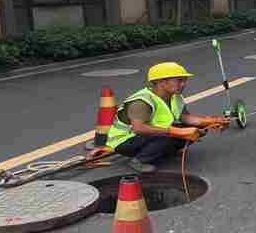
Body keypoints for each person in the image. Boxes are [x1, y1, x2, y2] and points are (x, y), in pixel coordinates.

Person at [88, 62, 231, 173]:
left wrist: (210, 121)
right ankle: (139, 160)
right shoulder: (141, 101)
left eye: (184, 80)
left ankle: (163, 152)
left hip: (150, 135)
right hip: (126, 141)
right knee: (172, 134)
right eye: (179, 80)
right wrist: (178, 132)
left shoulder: (175, 97)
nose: (184, 84)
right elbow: (140, 129)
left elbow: (185, 117)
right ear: (161, 82)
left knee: (195, 128)